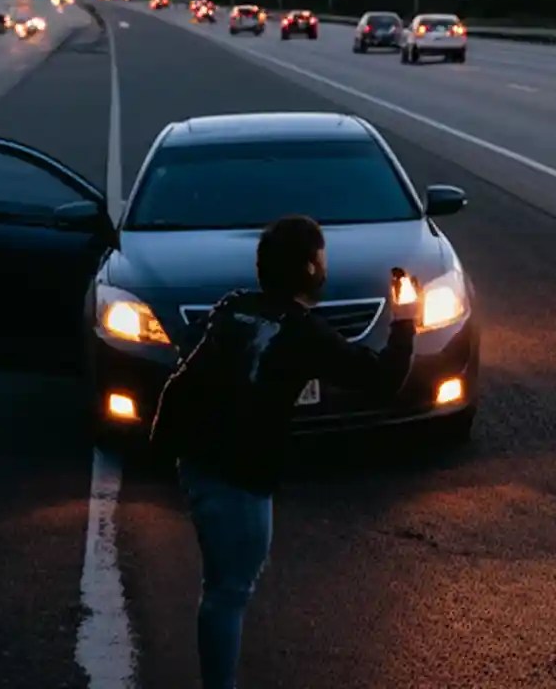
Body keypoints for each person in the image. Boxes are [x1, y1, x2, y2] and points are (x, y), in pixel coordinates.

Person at [149, 215, 419, 689]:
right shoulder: (300, 331)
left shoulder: (233, 308)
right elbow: (381, 381)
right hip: (240, 478)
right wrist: (404, 321)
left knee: (223, 587)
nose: (326, 269)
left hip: (197, 463)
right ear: (311, 268)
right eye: (322, 261)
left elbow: (190, 374)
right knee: (228, 591)